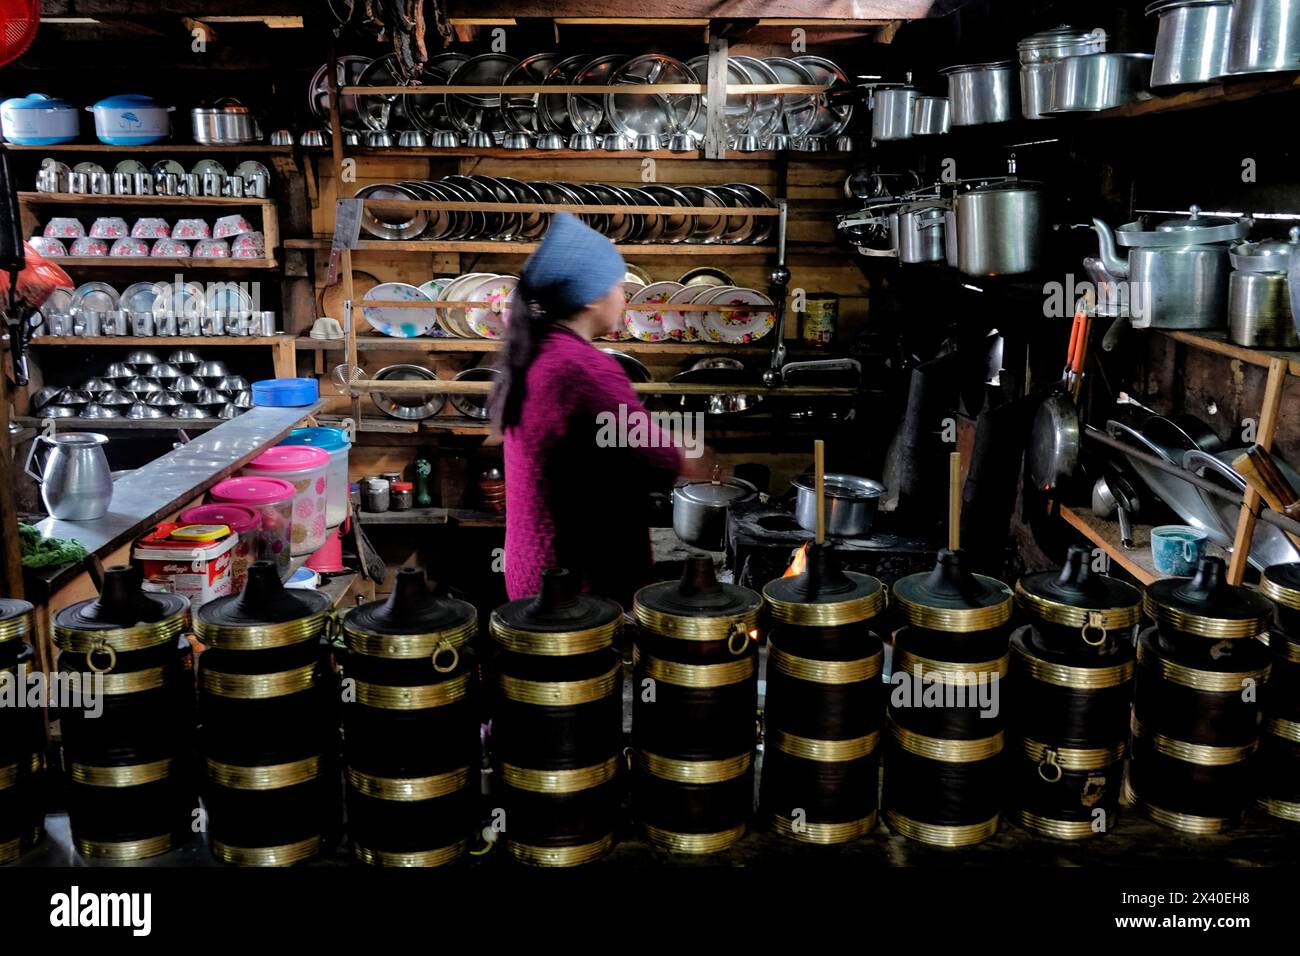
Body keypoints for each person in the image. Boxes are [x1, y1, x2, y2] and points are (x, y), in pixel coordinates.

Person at [492, 213, 687, 607]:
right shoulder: (584, 368)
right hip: (581, 583)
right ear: (590, 296)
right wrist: (686, 447)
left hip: (532, 571)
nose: (623, 297)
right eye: (618, 286)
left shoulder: (536, 351)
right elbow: (659, 457)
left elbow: (600, 439)